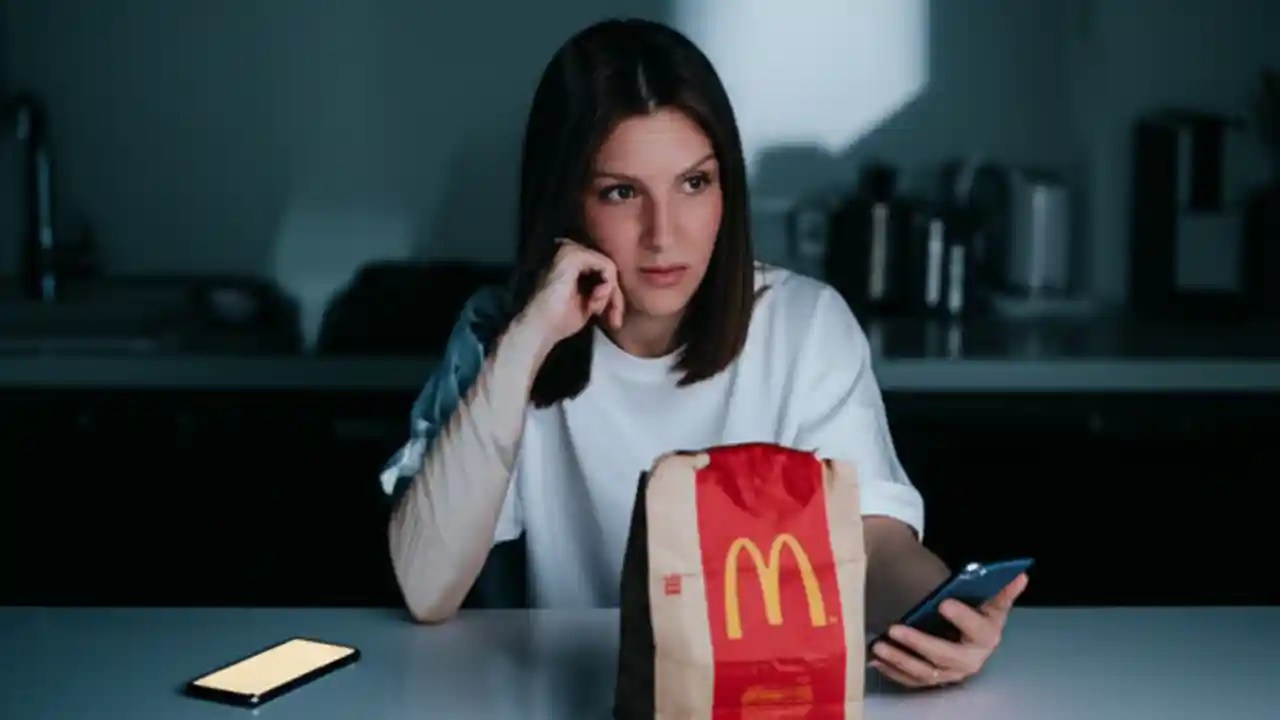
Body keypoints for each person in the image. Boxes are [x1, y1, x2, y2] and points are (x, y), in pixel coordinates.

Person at [380, 17, 1028, 690]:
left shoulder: (803, 324)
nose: (665, 235)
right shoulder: (502, 332)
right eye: (621, 192)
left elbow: (872, 538)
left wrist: (944, 613)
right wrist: (527, 339)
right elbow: (427, 590)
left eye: (694, 183)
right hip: (582, 694)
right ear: (564, 202)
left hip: (759, 696)